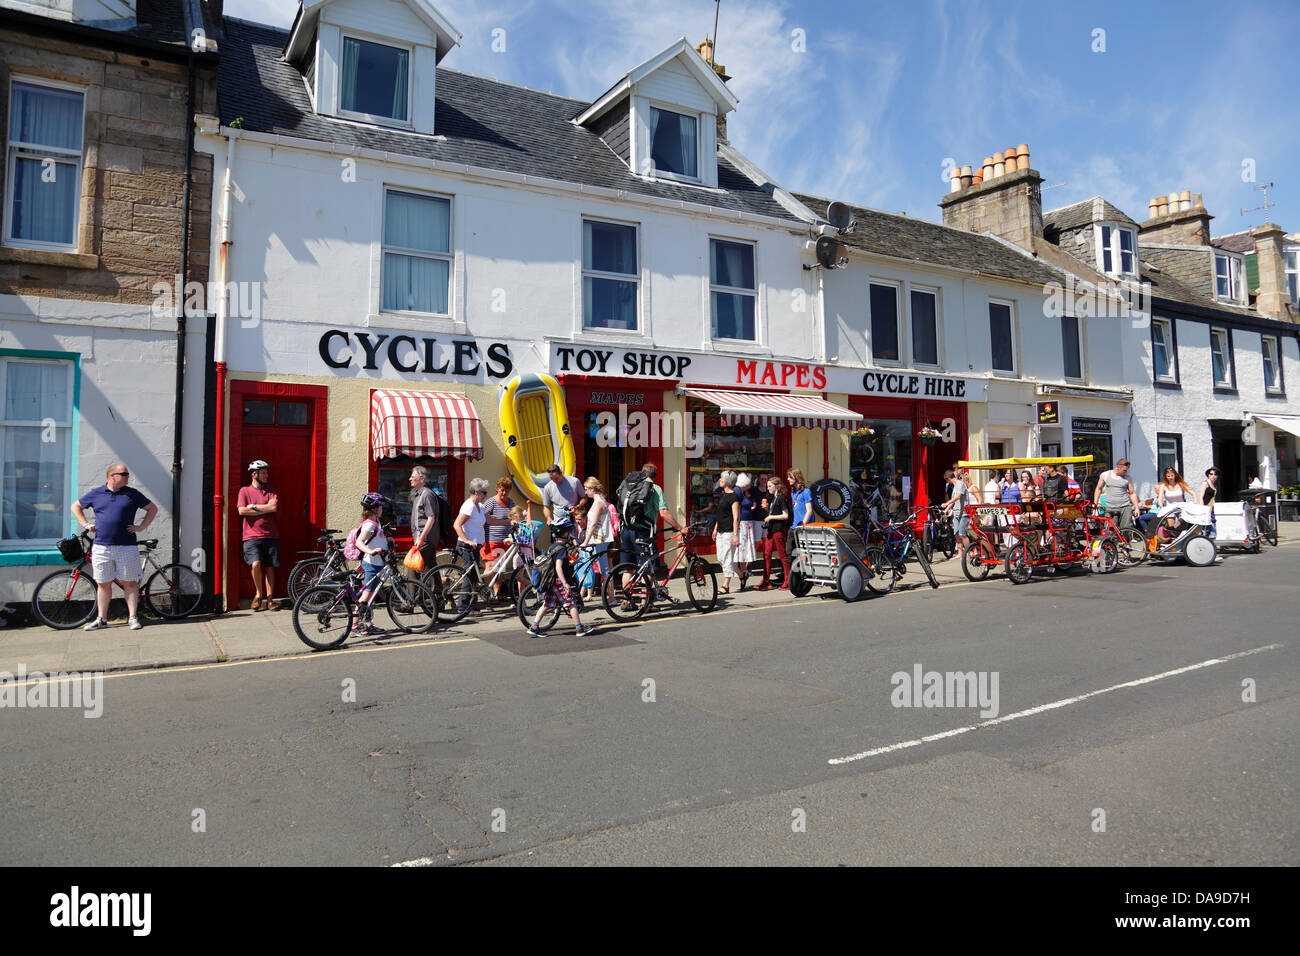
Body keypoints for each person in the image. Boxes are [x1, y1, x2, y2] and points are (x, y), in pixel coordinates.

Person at [71, 463, 157, 631]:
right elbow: (75, 506)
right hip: (102, 547)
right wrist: (85, 523)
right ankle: (101, 619)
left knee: (130, 583)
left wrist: (141, 527)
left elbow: (152, 509)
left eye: (127, 474)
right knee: (103, 583)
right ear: (112, 476)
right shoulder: (96, 493)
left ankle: (132, 617)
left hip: (126, 546)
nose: (127, 477)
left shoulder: (132, 494)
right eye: (123, 474)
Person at [527, 514, 591, 637]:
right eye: (568, 532)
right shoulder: (561, 548)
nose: (569, 534)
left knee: (547, 604)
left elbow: (556, 563)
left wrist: (571, 562)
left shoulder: (554, 546)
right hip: (559, 581)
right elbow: (558, 567)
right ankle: (579, 628)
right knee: (571, 603)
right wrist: (565, 583)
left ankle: (534, 626)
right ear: (563, 533)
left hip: (552, 581)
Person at [618, 462, 684, 579]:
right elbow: (663, 513)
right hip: (643, 533)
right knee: (647, 568)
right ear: (655, 475)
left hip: (626, 530)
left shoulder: (630, 486)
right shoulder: (654, 488)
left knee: (627, 570)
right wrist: (680, 528)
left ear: (643, 472)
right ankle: (645, 598)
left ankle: (625, 597)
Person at [236, 460, 280, 611]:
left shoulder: (271, 491)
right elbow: (242, 511)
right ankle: (258, 594)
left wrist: (253, 507)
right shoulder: (244, 491)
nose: (266, 475)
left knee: (269, 567)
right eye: (263, 473)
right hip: (251, 536)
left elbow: (273, 507)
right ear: (254, 474)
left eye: (267, 472)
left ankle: (270, 599)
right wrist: (265, 508)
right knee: (256, 564)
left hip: (270, 535)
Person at [452, 477, 491, 611]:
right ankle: (463, 606)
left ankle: (471, 604)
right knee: (470, 576)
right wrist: (467, 540)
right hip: (467, 546)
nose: (486, 495)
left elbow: (490, 520)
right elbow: (457, 525)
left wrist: (509, 522)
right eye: (484, 493)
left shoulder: (480, 506)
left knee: (474, 575)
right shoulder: (468, 505)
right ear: (476, 492)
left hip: (476, 545)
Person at [353, 493, 388, 635]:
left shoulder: (375, 523)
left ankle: (368, 623)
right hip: (371, 564)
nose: (382, 509)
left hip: (377, 564)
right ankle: (354, 626)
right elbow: (359, 542)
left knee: (371, 596)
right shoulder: (369, 524)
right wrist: (371, 551)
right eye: (380, 506)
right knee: (366, 596)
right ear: (374, 509)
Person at [579, 477, 613, 602]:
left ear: (593, 489)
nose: (585, 492)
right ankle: (582, 594)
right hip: (597, 539)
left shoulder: (599, 503)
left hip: (599, 540)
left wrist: (585, 541)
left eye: (587, 489)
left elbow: (593, 524)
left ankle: (611, 597)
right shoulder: (598, 501)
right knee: (588, 564)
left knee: (603, 568)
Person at [482, 477, 516, 597]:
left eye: (507, 490)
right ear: (497, 489)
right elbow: (485, 519)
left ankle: (496, 595)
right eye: (502, 490)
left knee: (500, 569)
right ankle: (485, 593)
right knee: (490, 567)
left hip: (505, 541)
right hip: (491, 540)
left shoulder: (511, 502)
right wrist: (507, 522)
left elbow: (514, 517)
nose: (504, 492)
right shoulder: (491, 502)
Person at [757, 476, 792, 590]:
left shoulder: (781, 498)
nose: (768, 488)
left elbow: (785, 515)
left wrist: (770, 516)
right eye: (767, 486)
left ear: (777, 486)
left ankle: (788, 580)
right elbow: (777, 513)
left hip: (778, 530)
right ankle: (766, 580)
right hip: (771, 530)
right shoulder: (774, 499)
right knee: (766, 554)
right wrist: (768, 510)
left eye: (770, 486)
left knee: (782, 555)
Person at [408, 465, 440, 573]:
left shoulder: (427, 494)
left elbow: (431, 518)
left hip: (425, 539)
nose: (410, 479)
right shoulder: (417, 494)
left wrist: (421, 538)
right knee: (430, 567)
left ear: (422, 479)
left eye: (413, 476)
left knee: (412, 566)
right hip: (422, 538)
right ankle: (437, 589)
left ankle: (411, 590)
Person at [713, 471, 741, 593]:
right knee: (720, 558)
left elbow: (736, 517)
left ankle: (726, 585)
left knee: (727, 557)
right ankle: (742, 575)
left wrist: (735, 535)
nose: (720, 480)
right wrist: (715, 528)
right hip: (720, 531)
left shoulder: (734, 497)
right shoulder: (722, 494)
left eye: (722, 478)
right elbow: (720, 514)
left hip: (729, 531)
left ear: (727, 481)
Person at [1094, 459, 1140, 530]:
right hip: (1111, 507)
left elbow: (1132, 493)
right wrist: (1095, 503)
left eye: (1127, 470)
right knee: (1110, 531)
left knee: (1126, 530)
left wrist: (1136, 508)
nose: (1126, 472)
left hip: (1125, 506)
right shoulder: (1105, 475)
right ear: (1118, 467)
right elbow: (1098, 489)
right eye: (1124, 470)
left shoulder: (1127, 478)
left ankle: (1125, 541)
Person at [733, 473, 758, 589]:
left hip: (746, 523)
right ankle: (743, 573)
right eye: (748, 483)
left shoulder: (742, 492)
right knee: (742, 549)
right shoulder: (738, 491)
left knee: (744, 549)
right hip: (742, 524)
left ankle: (744, 572)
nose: (749, 485)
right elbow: (735, 507)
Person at [940, 467, 971, 559]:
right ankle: (960, 554)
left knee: (962, 534)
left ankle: (968, 553)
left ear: (948, 479)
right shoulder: (954, 487)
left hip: (964, 513)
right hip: (956, 513)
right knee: (956, 534)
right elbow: (953, 501)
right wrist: (946, 510)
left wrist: (947, 503)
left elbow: (958, 496)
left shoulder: (960, 484)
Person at [786, 469, 812, 556]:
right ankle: (794, 569)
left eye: (790, 477)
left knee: (803, 551)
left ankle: (803, 569)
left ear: (797, 478)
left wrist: (803, 524)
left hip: (803, 527)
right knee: (790, 551)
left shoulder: (806, 491)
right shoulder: (793, 492)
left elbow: (809, 510)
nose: (788, 479)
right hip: (794, 525)